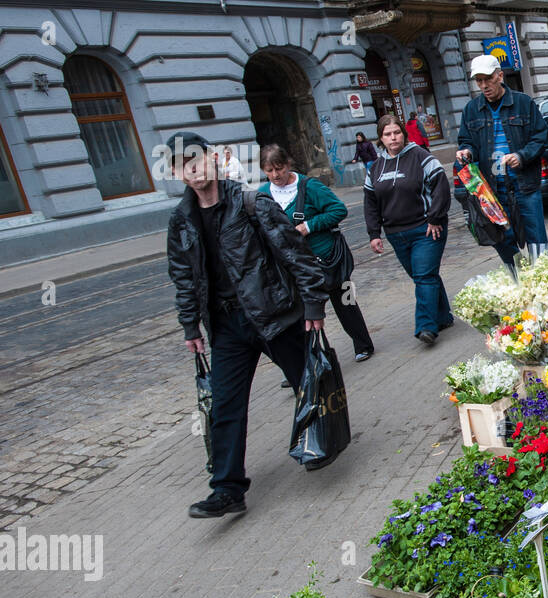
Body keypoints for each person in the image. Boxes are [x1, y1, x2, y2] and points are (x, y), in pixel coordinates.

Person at [165, 131, 329, 519]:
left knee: (309, 383)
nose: (194, 169)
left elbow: (295, 254)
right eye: (183, 164)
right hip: (226, 326)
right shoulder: (181, 221)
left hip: (274, 315)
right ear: (176, 172)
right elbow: (183, 278)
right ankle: (227, 489)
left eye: (198, 159)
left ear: (214, 160)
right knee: (225, 406)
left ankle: (320, 443)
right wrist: (191, 327)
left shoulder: (252, 203)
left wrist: (313, 305)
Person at [259, 143, 374, 364]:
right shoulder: (263, 194)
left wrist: (308, 226)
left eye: (279, 169)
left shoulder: (309, 186)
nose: (275, 175)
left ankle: (363, 344)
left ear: (287, 165)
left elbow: (339, 210)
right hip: (293, 266)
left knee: (346, 302)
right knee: (300, 315)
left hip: (328, 259)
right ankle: (308, 361)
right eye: (269, 170)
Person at [364, 114, 454, 346]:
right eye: (387, 134)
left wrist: (435, 218)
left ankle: (426, 326)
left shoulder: (420, 157)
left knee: (424, 276)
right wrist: (374, 234)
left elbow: (441, 187)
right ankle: (443, 317)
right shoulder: (375, 167)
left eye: (396, 132)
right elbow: (370, 203)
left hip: (426, 229)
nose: (393, 138)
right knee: (423, 276)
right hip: (396, 234)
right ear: (381, 138)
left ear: (403, 133)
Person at [455, 54, 548, 269]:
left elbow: (541, 136)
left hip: (524, 185)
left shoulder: (523, 103)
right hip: (491, 189)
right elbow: (466, 140)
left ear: (500, 75)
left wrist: (521, 156)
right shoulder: (471, 110)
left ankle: (546, 283)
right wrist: (466, 151)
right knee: (500, 238)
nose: (484, 85)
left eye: (488, 78)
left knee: (537, 240)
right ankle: (521, 279)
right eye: (479, 80)